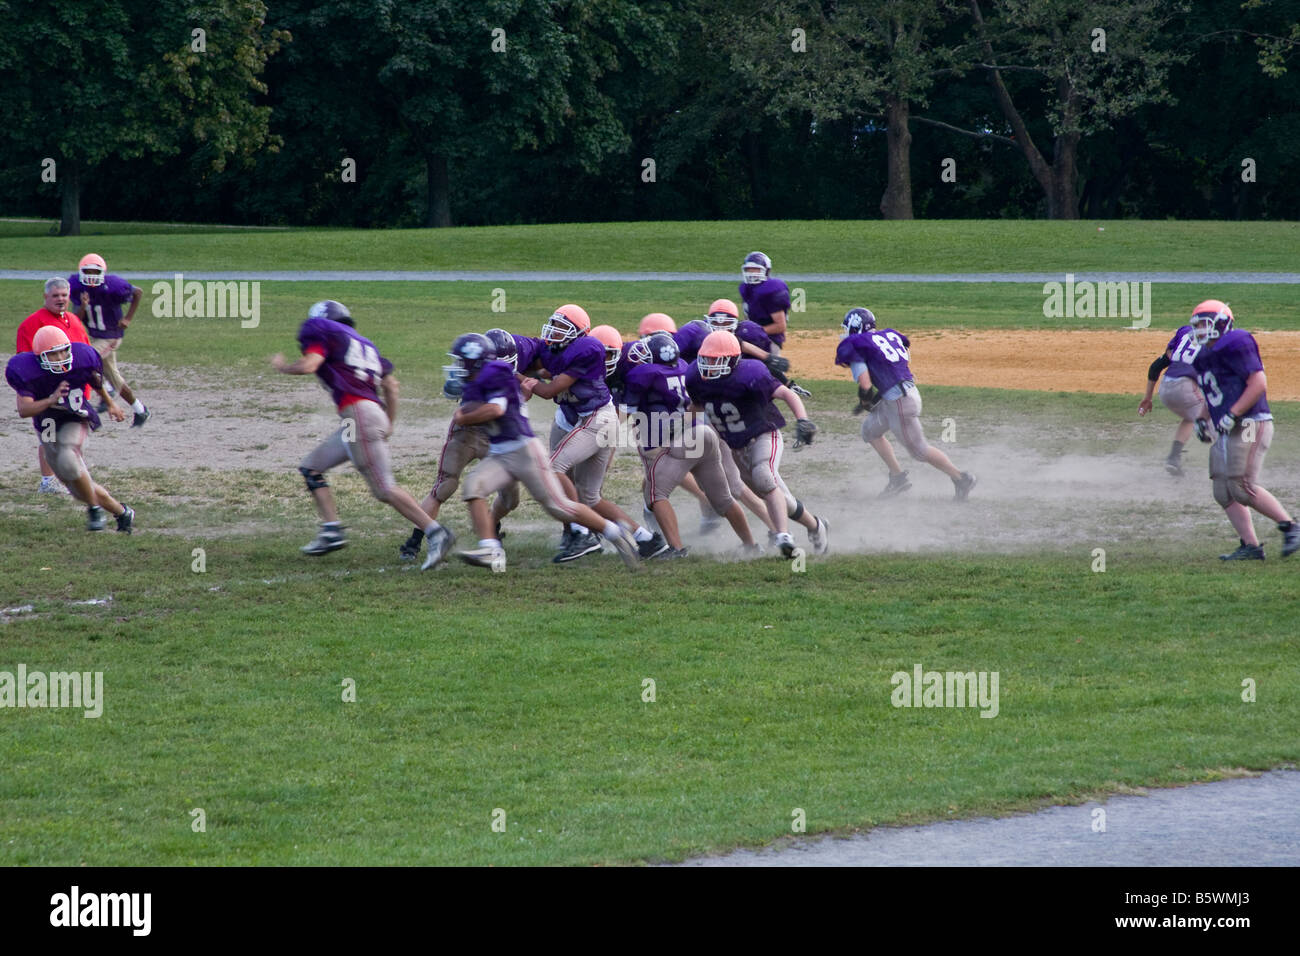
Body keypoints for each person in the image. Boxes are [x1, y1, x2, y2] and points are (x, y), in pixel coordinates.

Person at [272, 300, 452, 569]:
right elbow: (391, 385)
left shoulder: (318, 327)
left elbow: (311, 364)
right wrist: (388, 422)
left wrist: (284, 367)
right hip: (365, 416)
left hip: (358, 415)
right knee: (311, 468)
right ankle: (331, 530)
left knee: (384, 488)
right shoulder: (366, 344)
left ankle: (436, 532)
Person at [446, 332, 641, 572]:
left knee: (560, 506)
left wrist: (462, 416)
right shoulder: (477, 382)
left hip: (523, 450)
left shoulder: (496, 372)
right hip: (500, 453)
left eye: (460, 361)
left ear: (474, 360)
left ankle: (614, 532)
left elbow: (495, 409)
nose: (457, 366)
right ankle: (490, 549)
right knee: (473, 486)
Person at [521, 304, 666, 563]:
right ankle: (647, 539)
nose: (553, 331)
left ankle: (582, 534)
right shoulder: (562, 352)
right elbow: (543, 368)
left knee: (553, 469)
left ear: (578, 335)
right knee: (590, 497)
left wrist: (520, 378)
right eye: (553, 324)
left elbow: (547, 390)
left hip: (597, 420)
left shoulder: (585, 352)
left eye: (561, 327)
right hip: (594, 421)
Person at [686, 330, 828, 559]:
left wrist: (803, 420)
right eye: (706, 359)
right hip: (736, 448)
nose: (709, 365)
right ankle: (816, 525)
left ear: (733, 360)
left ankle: (783, 536)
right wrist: (679, 423)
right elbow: (698, 407)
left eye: (716, 360)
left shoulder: (750, 373)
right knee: (779, 498)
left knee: (764, 476)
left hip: (763, 434)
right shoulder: (695, 376)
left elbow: (787, 394)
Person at [623, 331, 758, 557]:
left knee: (655, 494)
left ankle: (676, 549)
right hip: (703, 433)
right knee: (723, 499)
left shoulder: (644, 374)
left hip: (679, 440)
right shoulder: (685, 366)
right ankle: (751, 545)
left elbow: (627, 412)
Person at [1187, 299, 1299, 560]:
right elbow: (1212, 393)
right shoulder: (1203, 356)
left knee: (1241, 485)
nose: (1201, 329)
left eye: (1205, 323)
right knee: (1222, 491)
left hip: (1250, 421)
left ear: (1222, 323)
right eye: (1197, 324)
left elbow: (1259, 382)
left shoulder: (1237, 341)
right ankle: (1251, 546)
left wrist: (1233, 414)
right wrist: (1202, 418)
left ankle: (1291, 527)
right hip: (1227, 426)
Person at [398, 328, 519, 562]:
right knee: (444, 486)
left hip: (496, 438)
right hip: (465, 435)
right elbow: (452, 389)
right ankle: (415, 540)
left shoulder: (504, 381)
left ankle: (490, 526)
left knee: (510, 496)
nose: (458, 367)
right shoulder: (479, 377)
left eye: (465, 363)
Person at [835, 307, 976, 501]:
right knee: (869, 431)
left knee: (919, 451)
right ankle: (897, 478)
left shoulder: (856, 345)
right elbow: (898, 363)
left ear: (855, 327)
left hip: (900, 402)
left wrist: (865, 401)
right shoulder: (887, 336)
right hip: (899, 396)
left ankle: (961, 478)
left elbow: (866, 385)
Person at [5, 326, 133, 532]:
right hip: (47, 426)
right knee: (77, 487)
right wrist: (51, 399)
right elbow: (24, 409)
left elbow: (95, 380)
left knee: (68, 458)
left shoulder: (81, 358)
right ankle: (122, 512)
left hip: (74, 417)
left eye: (63, 351)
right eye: (52, 354)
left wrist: (110, 403)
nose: (59, 357)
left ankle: (94, 510)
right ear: (40, 358)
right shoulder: (27, 371)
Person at [16, 277, 92, 494]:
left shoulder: (73, 320)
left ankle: (74, 477)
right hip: (48, 391)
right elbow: (25, 361)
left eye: (64, 296)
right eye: (55, 296)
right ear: (45, 297)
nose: (60, 299)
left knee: (72, 435)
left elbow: (84, 353)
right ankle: (48, 481)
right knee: (49, 435)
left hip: (76, 391)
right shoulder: (32, 324)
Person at [69, 253, 149, 427]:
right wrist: (82, 306)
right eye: (87, 271)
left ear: (102, 272)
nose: (91, 275)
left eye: (94, 271)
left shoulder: (113, 285)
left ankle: (105, 391)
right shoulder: (76, 286)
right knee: (116, 378)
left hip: (112, 336)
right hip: (96, 336)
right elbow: (77, 319)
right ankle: (140, 410)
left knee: (84, 359)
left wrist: (128, 318)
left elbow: (137, 292)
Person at [1138, 319, 1206, 476]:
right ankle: (1230, 464)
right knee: (1214, 419)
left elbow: (1156, 366)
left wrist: (1148, 398)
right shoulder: (1218, 342)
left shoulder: (1184, 331)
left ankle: (1173, 458)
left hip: (1165, 387)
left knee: (1191, 417)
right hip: (1185, 387)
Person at [738, 251, 791, 351]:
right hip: (752, 339)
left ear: (766, 271)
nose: (751, 273)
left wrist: (753, 332)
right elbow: (748, 318)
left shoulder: (771, 290)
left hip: (769, 341)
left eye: (756, 270)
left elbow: (780, 326)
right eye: (748, 270)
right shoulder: (746, 288)